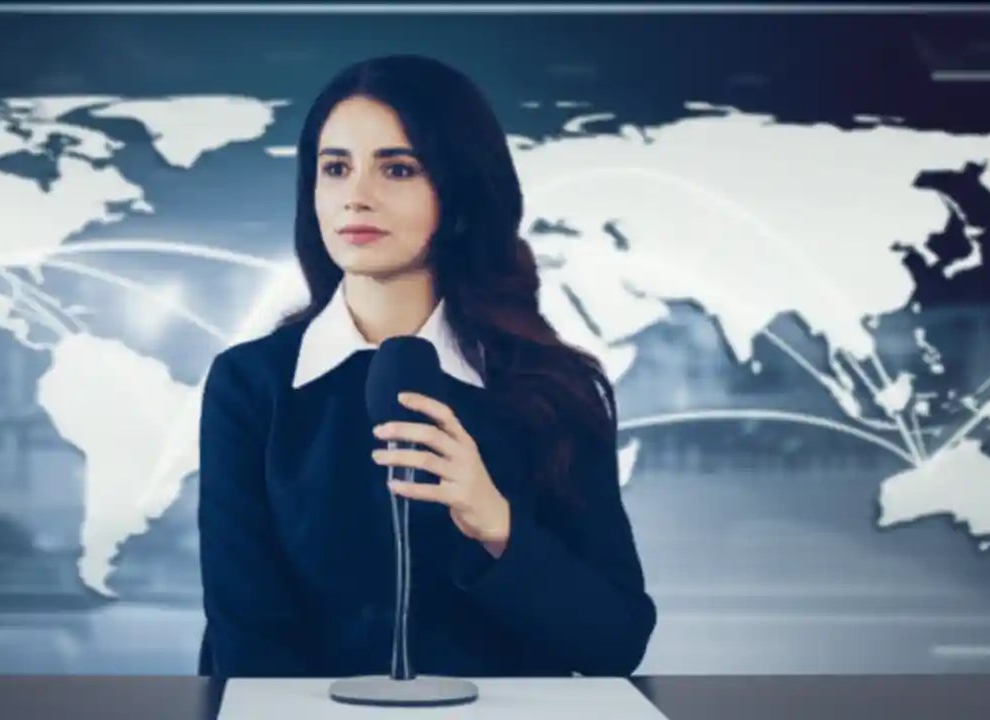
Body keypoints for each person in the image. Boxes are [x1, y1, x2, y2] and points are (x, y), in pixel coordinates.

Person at [197, 54, 655, 679]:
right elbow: (245, 639)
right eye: (335, 168)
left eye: (398, 168)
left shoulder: (552, 390)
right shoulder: (251, 385)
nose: (357, 195)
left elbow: (616, 641)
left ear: (460, 193)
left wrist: (497, 525)